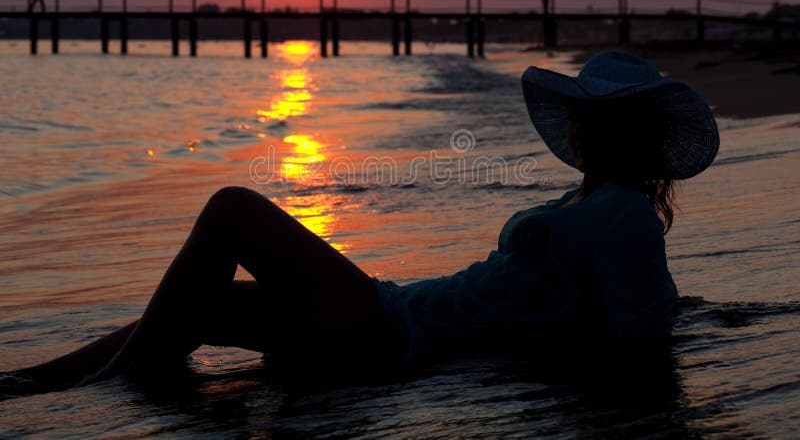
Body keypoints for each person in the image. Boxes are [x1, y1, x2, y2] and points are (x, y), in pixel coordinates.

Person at [0, 51, 720, 396]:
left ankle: (105, 381)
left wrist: (510, 346)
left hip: (397, 334)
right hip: (399, 309)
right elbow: (641, 306)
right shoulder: (588, 204)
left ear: (635, 137)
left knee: (231, 207)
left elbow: (638, 334)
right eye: (581, 113)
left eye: (602, 119)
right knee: (205, 302)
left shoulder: (623, 213)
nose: (583, 127)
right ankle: (34, 379)